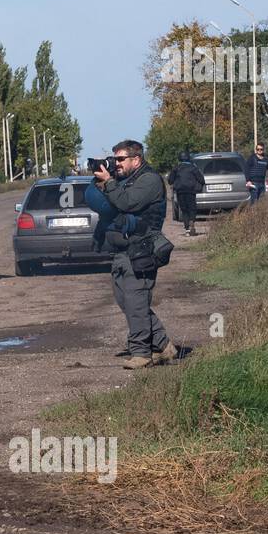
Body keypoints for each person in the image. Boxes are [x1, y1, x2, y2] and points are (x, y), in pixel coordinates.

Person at [89, 140, 176, 370]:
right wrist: (100, 182)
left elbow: (126, 203)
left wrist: (108, 183)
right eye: (114, 159)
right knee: (126, 301)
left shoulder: (149, 180)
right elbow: (107, 206)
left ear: (136, 159)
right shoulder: (124, 180)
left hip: (141, 250)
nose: (116, 164)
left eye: (120, 160)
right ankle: (163, 344)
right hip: (122, 252)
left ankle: (141, 353)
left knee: (136, 302)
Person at [166, 151, 205, 236]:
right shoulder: (193, 168)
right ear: (188, 158)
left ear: (179, 158)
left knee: (184, 210)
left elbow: (170, 181)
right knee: (192, 208)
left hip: (180, 191)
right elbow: (201, 180)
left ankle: (187, 228)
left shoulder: (176, 168)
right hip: (191, 191)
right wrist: (199, 186)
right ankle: (192, 222)